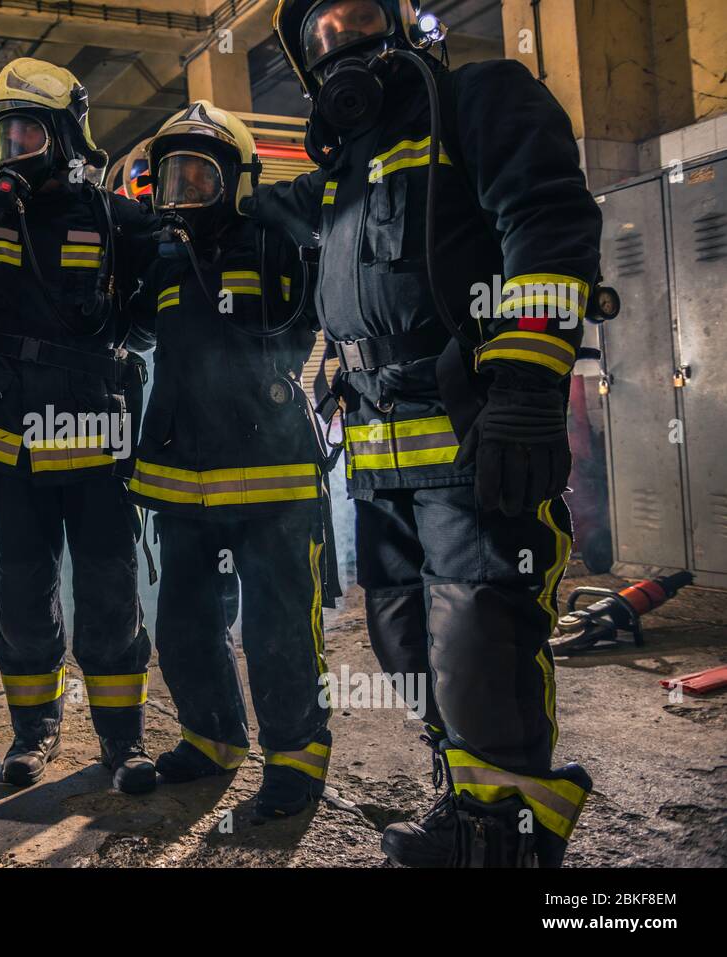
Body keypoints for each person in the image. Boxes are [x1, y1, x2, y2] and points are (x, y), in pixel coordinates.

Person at [256, 0, 601, 865]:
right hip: (377, 466)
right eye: (321, 39)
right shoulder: (336, 178)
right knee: (407, 644)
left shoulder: (480, 99)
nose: (344, 45)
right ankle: (469, 808)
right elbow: (258, 216)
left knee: (478, 642)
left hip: (474, 442)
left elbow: (549, 222)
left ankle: (511, 838)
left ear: (407, 30)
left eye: (360, 18)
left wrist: (527, 387)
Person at [0, 58, 160, 793]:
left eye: (26, 131)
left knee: (110, 594)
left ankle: (122, 742)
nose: (12, 149)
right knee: (24, 597)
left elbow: (170, 288)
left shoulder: (114, 221)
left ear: (63, 137)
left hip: (95, 451)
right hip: (13, 455)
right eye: (2, 136)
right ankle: (35, 732)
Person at [127, 102, 336, 817]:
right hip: (183, 480)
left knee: (278, 629)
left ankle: (296, 762)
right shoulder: (157, 255)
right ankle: (211, 740)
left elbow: (318, 305)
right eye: (172, 176)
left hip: (273, 478)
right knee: (184, 623)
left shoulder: (274, 240)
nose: (182, 189)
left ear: (236, 180)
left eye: (199, 175)